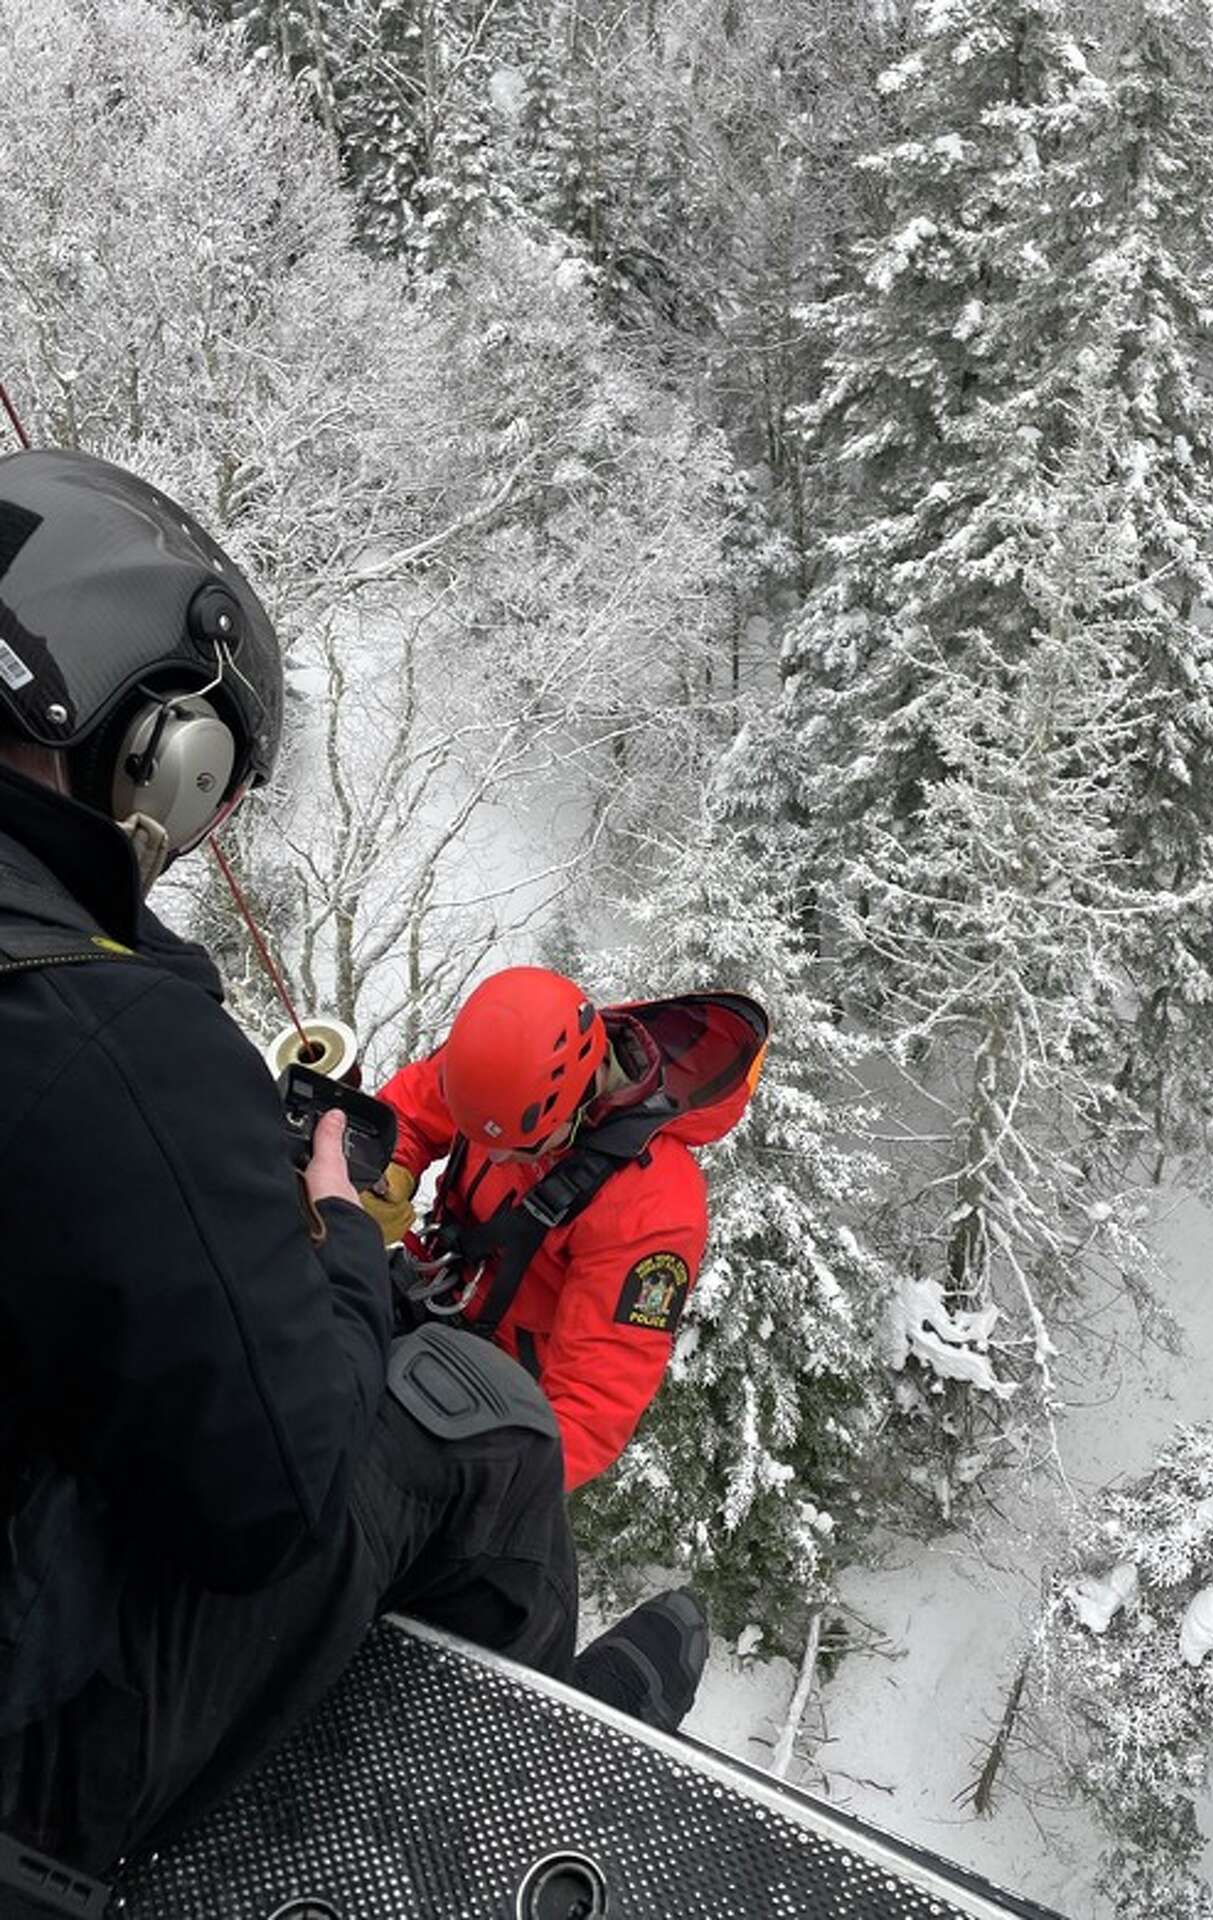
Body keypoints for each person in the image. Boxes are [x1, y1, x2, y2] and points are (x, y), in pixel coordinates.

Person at [0, 448, 704, 1890]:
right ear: (166, 758)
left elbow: (589, 1405)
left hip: (485, 1347)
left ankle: (474, 1708)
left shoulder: (650, 1219)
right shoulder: (106, 1033)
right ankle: (491, 1787)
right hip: (41, 1743)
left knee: (505, 1423)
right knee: (468, 1428)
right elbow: (413, 1122)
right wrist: (341, 1232)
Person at [366, 966, 769, 1489]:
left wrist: (488, 1495)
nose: (496, 1155)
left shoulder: (652, 1208)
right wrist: (392, 1163)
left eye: (520, 1146)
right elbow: (416, 1106)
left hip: (497, 1382)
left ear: (577, 1100)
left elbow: (592, 1406)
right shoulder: (511, 1055)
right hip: (432, 1287)